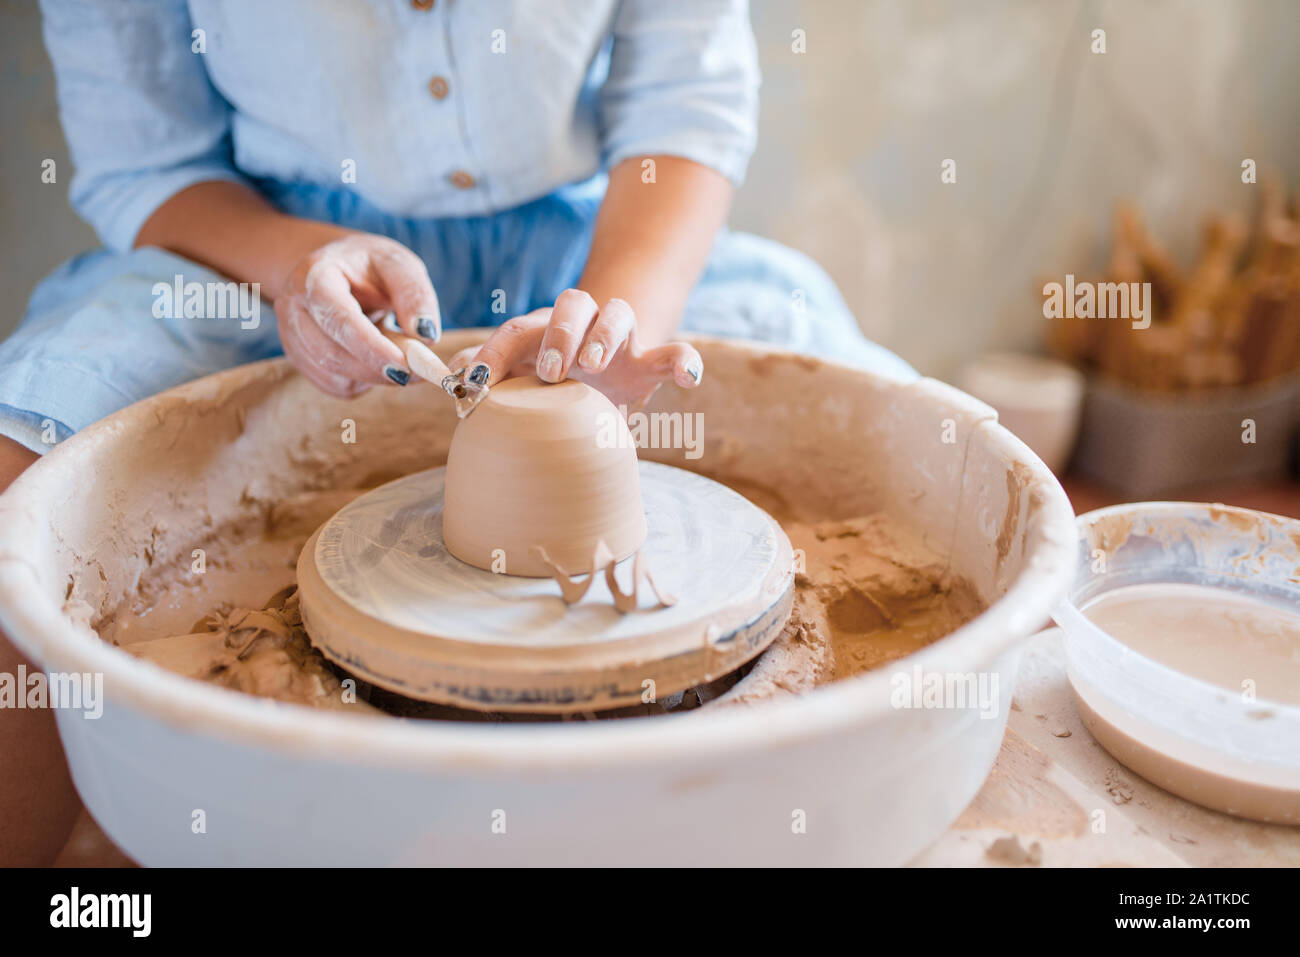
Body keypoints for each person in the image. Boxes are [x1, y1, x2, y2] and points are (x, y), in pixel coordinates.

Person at [0, 0, 916, 864]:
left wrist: (616, 314)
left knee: (891, 429)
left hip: (592, 247)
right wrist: (295, 269)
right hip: (274, 255)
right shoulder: (280, 257)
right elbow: (149, 166)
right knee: (23, 476)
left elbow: (686, 112)